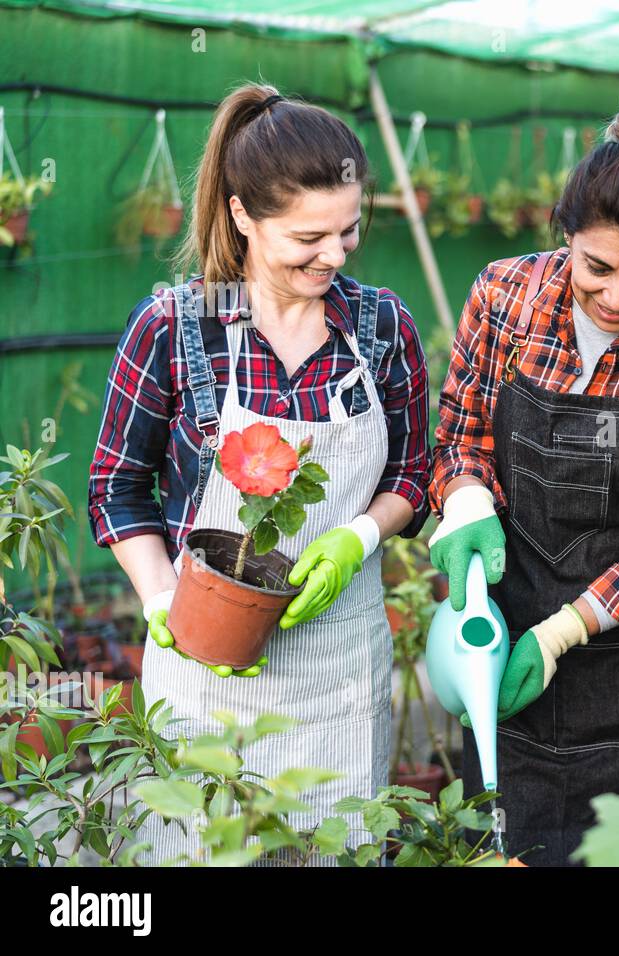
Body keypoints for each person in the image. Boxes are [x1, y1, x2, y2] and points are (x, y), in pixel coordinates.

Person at [88, 83, 433, 864]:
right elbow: (116, 485)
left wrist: (355, 536)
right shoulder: (175, 328)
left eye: (348, 231)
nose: (335, 255)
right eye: (308, 237)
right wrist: (161, 599)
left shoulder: (381, 327)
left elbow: (415, 472)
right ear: (243, 215)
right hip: (203, 683)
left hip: (341, 679)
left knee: (332, 847)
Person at [430, 105, 619, 865]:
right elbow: (461, 437)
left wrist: (568, 629)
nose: (617, 295)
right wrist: (466, 498)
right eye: (596, 267)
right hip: (511, 661)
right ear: (564, 232)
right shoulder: (504, 297)